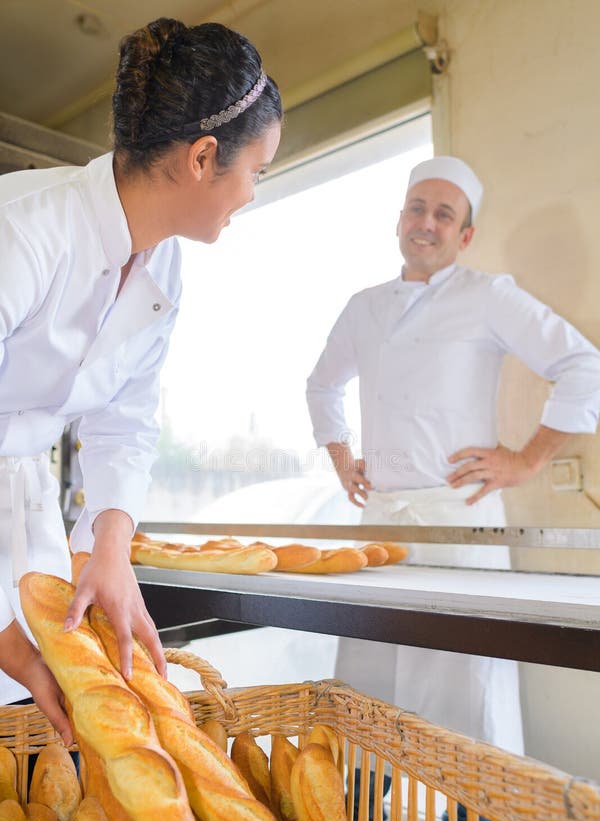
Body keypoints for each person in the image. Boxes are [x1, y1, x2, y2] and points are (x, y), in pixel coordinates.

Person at [0, 17, 282, 726]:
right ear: (202, 157)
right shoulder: (25, 233)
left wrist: (111, 548)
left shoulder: (163, 259)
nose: (252, 193)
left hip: (24, 505)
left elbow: (125, 416)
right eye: (257, 171)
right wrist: (10, 641)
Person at [306, 155, 600, 758]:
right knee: (370, 686)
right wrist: (340, 455)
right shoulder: (364, 307)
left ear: (464, 235)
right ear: (399, 220)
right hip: (382, 527)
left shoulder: (490, 296)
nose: (427, 223)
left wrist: (527, 459)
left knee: (469, 696)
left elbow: (583, 367)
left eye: (445, 214)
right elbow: (322, 385)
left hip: (461, 525)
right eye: (418, 207)